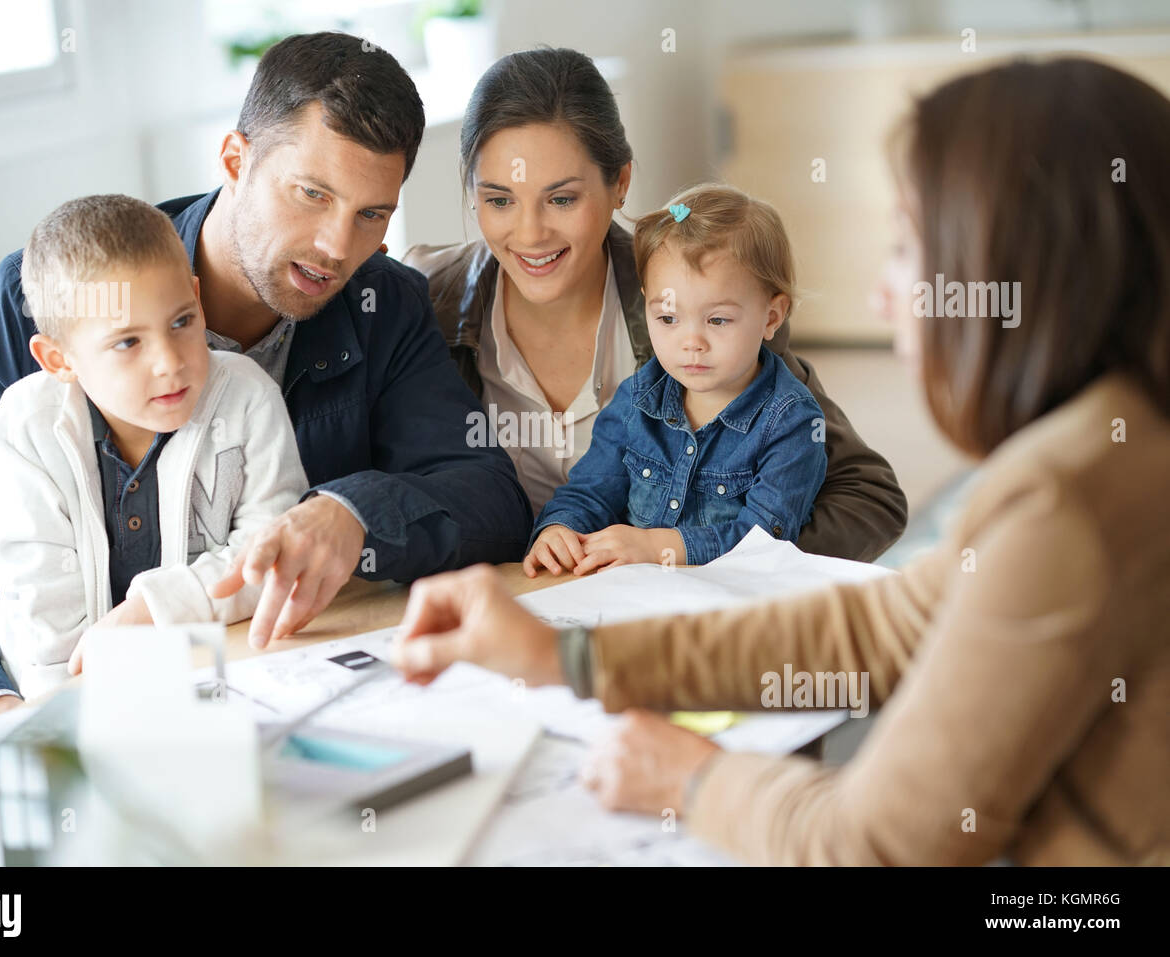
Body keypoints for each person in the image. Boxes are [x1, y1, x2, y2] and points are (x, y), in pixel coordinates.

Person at [389, 57, 1170, 865]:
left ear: (1024, 276)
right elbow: (884, 624)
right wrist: (572, 659)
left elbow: (875, 843)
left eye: (909, 247)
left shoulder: (1064, 505)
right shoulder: (1102, 447)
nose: (882, 295)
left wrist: (694, 782)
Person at [0, 32, 532, 734]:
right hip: (31, 712)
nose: (339, 247)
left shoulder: (381, 304)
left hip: (247, 713)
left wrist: (353, 514)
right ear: (235, 160)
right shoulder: (40, 299)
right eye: (312, 194)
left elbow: (489, 497)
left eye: (372, 214)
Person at [403, 47, 906, 562]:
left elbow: (870, 499)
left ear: (619, 182)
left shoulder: (704, 297)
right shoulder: (421, 300)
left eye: (561, 199)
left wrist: (692, 555)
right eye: (500, 200)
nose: (530, 234)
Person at [0, 195, 308, 699]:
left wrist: (151, 612)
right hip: (73, 701)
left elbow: (273, 554)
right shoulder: (25, 429)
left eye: (181, 322)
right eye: (127, 342)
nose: (169, 362)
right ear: (58, 359)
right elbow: (39, 618)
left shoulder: (248, 397)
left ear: (198, 301)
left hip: (223, 679)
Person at [525, 184, 826, 576]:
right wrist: (560, 528)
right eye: (668, 318)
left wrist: (658, 546)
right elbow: (591, 491)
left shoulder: (792, 422)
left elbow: (766, 539)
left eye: (717, 320)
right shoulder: (636, 401)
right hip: (637, 600)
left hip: (734, 611)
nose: (691, 344)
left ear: (771, 317)